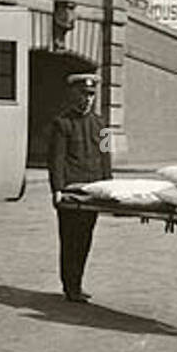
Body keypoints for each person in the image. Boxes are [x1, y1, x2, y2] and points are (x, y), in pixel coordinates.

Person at [49, 71, 111, 303]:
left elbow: (106, 156)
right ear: (73, 94)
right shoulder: (62, 123)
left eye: (91, 95)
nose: (87, 99)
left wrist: (108, 187)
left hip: (93, 190)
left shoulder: (102, 124)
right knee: (69, 239)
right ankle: (70, 286)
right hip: (71, 193)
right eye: (83, 94)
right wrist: (57, 189)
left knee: (85, 238)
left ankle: (78, 283)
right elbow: (56, 159)